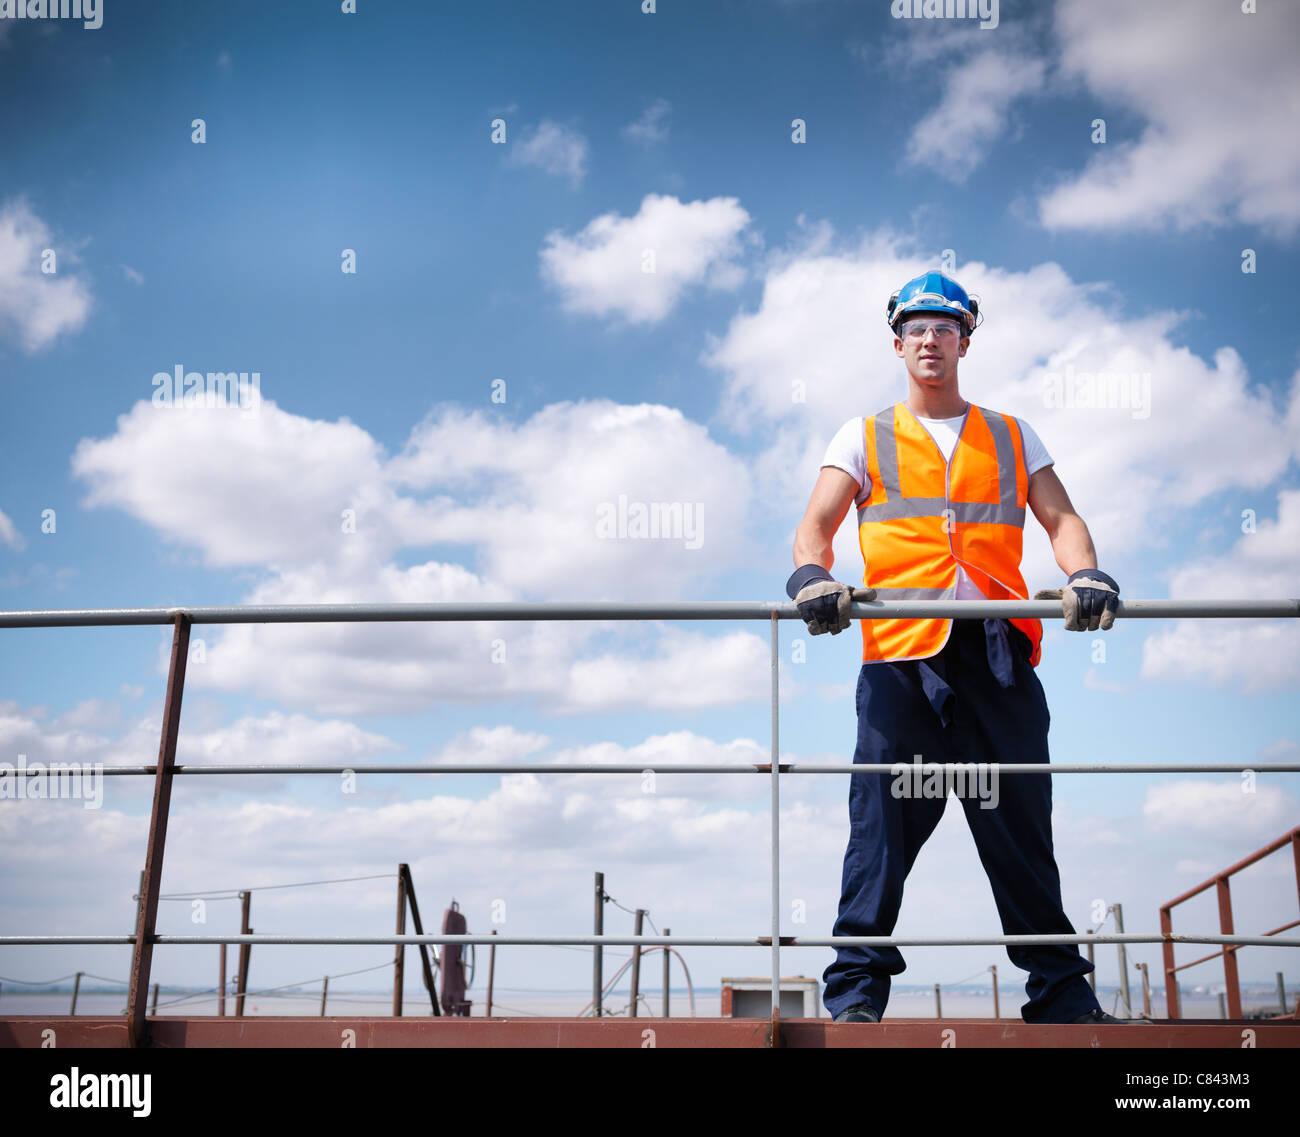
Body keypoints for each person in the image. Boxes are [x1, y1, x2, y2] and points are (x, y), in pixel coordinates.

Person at [787, 271, 1129, 1026]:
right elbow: (816, 524)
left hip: (996, 656)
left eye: (944, 326)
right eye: (915, 326)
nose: (929, 338)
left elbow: (1061, 517)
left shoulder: (1012, 433)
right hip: (900, 660)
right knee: (880, 825)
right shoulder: (862, 434)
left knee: (1019, 824)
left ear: (966, 340)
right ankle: (855, 1000)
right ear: (897, 343)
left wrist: (1086, 571)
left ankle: (1062, 996)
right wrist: (813, 574)